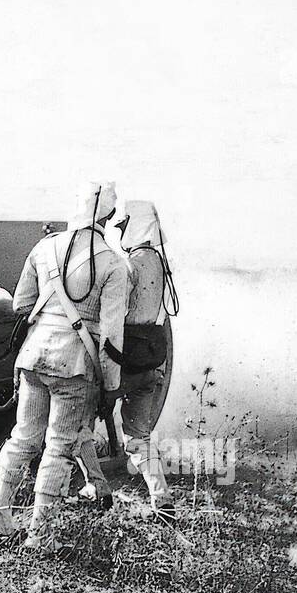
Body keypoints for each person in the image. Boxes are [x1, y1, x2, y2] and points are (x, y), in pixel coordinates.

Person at [0, 181, 129, 555]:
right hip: (75, 367)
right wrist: (111, 387)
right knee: (58, 448)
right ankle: (40, 536)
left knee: (22, 438)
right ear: (110, 217)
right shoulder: (115, 264)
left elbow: (21, 304)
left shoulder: (44, 247)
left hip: (33, 358)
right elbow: (112, 336)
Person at [112, 200, 176, 517]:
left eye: (124, 225)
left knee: (77, 421)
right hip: (152, 355)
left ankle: (93, 486)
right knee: (139, 435)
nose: (121, 230)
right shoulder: (160, 263)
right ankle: (160, 495)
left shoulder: (131, 264)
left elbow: (116, 310)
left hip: (124, 356)